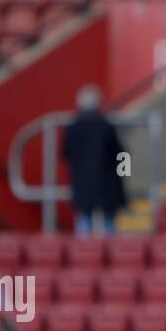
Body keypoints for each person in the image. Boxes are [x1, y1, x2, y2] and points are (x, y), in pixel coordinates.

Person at [62, 85, 127, 235]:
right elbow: (121, 154)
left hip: (82, 184)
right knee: (109, 225)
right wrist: (125, 174)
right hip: (107, 185)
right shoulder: (106, 126)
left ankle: (82, 257)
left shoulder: (73, 128)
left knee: (84, 223)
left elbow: (65, 154)